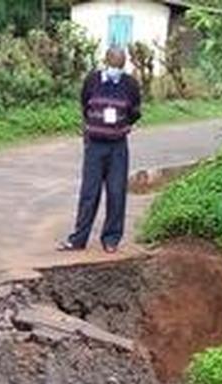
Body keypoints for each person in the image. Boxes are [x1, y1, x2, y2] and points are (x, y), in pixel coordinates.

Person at [59, 46, 142, 254]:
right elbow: (85, 105)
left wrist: (121, 126)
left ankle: (111, 238)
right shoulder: (92, 80)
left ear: (125, 65)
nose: (117, 68)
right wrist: (91, 127)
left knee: (116, 192)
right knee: (89, 192)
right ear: (106, 61)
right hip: (95, 145)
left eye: (120, 65)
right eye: (114, 64)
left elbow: (135, 112)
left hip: (118, 146)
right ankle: (79, 239)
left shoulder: (130, 84)